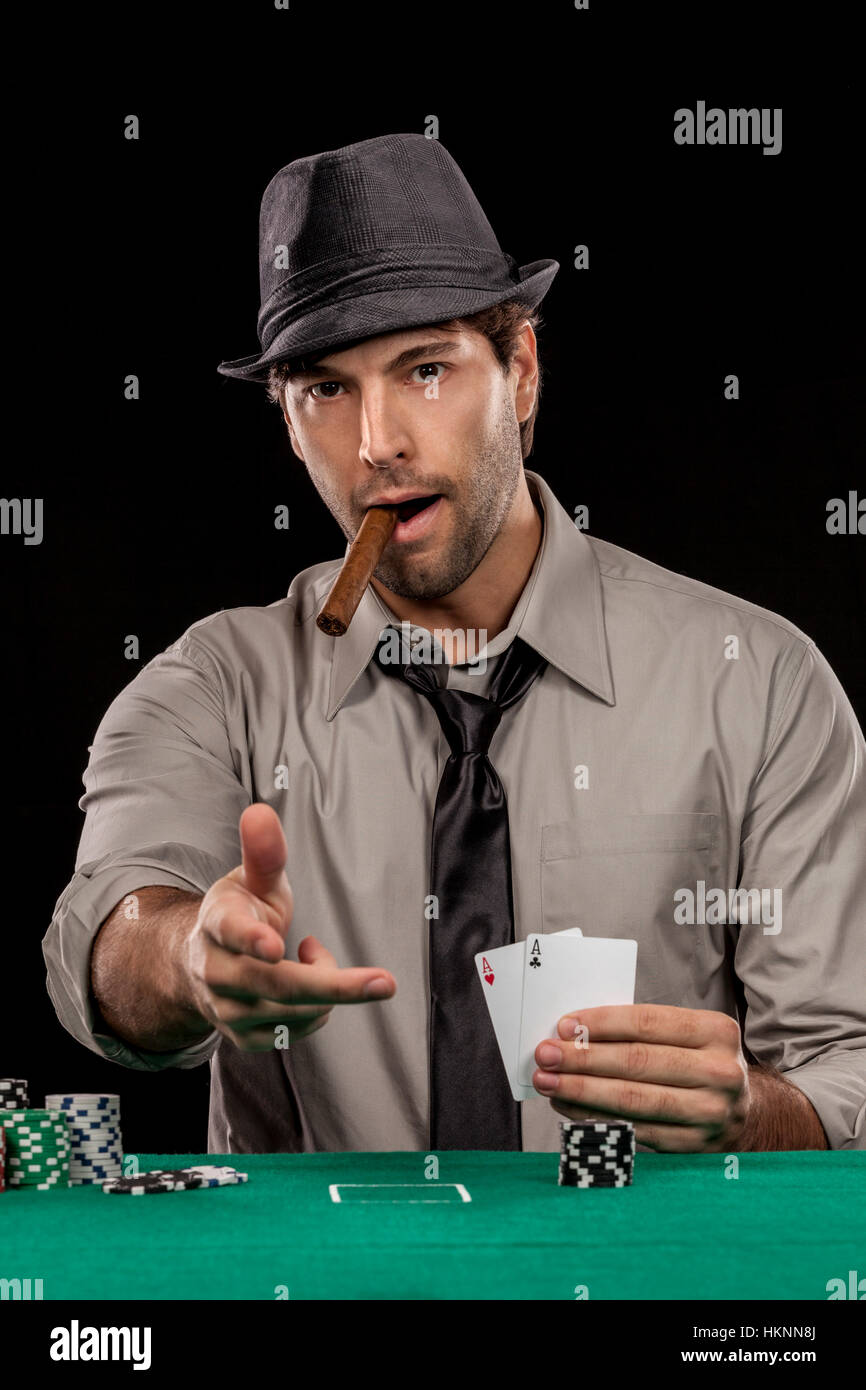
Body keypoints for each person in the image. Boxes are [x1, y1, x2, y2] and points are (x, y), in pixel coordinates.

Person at [44, 134, 865, 1154]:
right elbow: (105, 943)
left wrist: (751, 1113)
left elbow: (844, 1075)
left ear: (519, 370)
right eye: (323, 389)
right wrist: (187, 959)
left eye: (423, 368)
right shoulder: (209, 687)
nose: (375, 440)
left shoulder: (759, 685)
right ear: (286, 421)